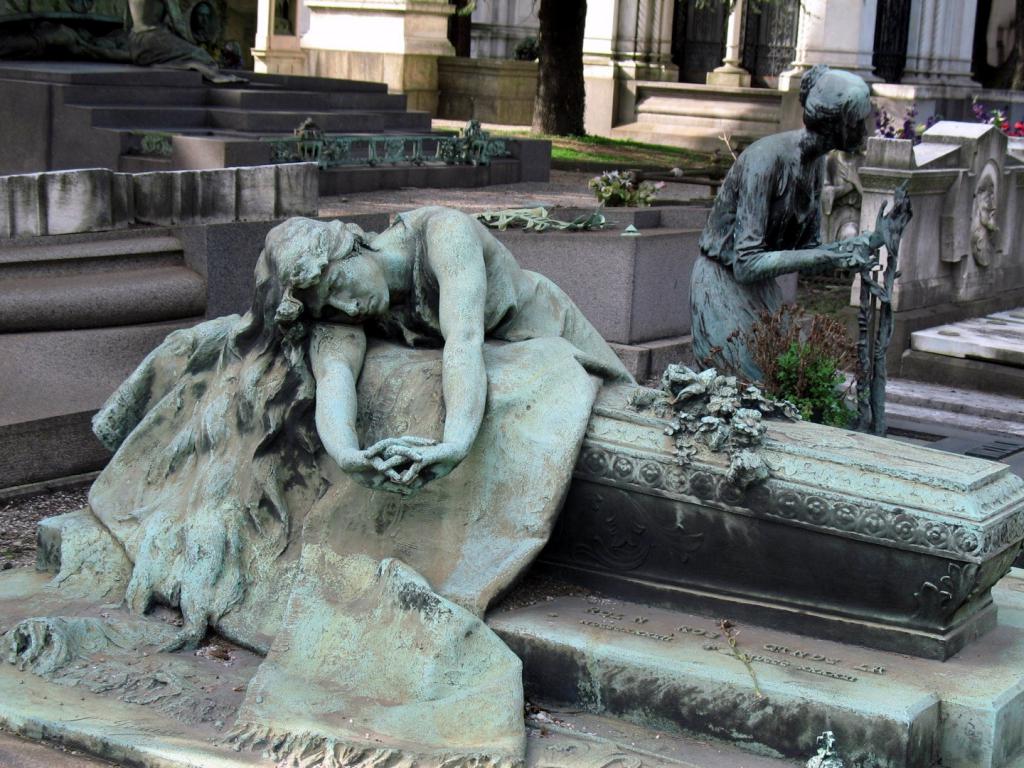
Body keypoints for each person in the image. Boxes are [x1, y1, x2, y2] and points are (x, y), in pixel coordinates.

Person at [690, 65, 877, 382]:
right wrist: (831, 255)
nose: (865, 129)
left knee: (801, 379)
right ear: (835, 124)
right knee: (754, 385)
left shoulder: (815, 164)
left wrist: (857, 247)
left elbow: (808, 250)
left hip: (759, 289)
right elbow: (746, 263)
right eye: (858, 121)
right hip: (721, 283)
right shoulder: (765, 159)